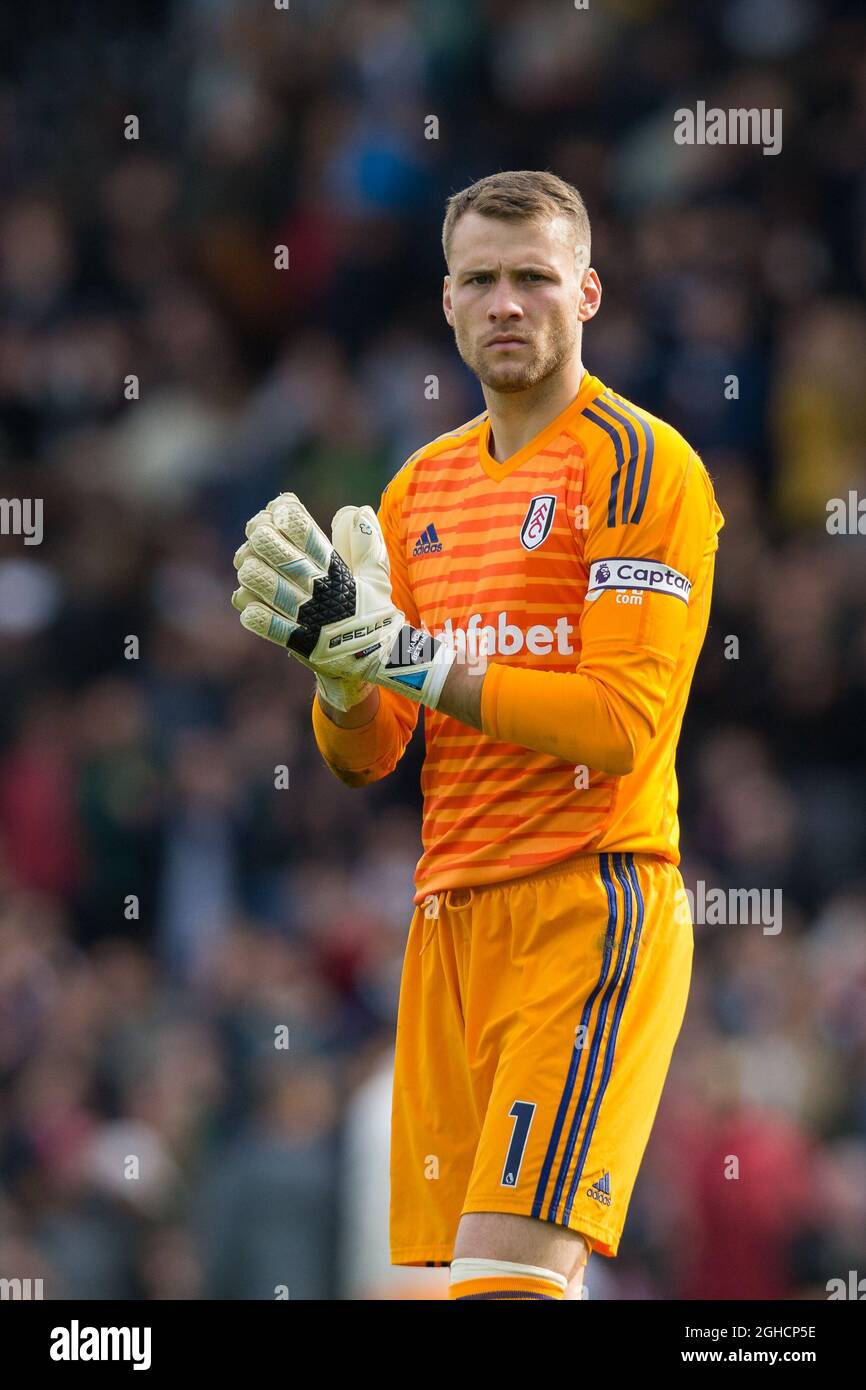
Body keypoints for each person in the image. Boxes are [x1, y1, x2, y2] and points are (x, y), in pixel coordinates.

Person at [232, 170, 724, 1301]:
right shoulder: (415, 491)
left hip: (585, 905)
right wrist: (339, 676)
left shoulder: (643, 466)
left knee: (504, 1283)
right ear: (446, 303)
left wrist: (398, 651)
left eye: (533, 279)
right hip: (447, 924)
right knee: (469, 1286)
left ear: (587, 293)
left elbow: (617, 720)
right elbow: (369, 753)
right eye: (481, 281)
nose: (507, 303)